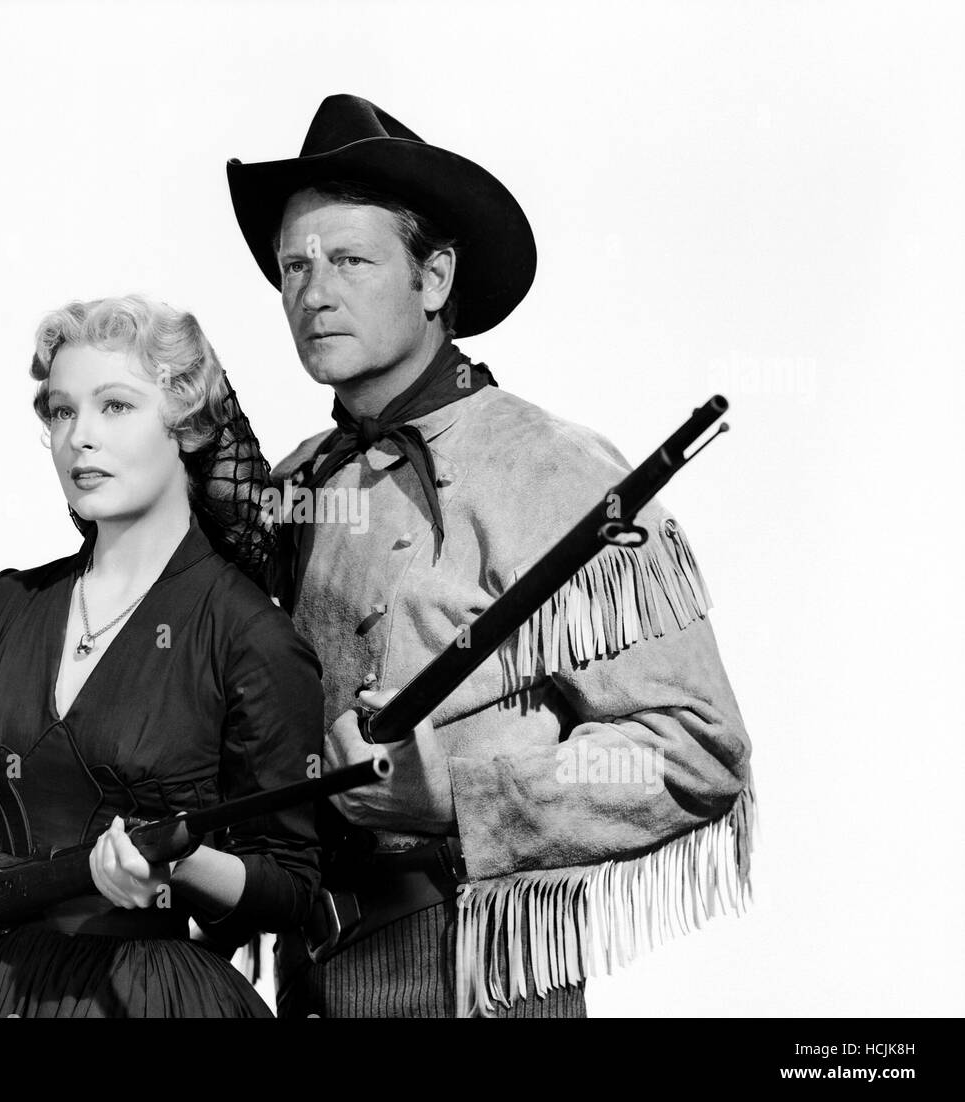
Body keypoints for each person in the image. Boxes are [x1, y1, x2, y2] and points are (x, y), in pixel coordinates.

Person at [226, 94, 757, 1018]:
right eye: (294, 267)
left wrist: (457, 795)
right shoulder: (293, 483)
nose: (314, 291)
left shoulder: (552, 469)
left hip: (473, 976)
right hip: (308, 977)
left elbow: (696, 752)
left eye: (350, 259)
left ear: (433, 278)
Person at [0, 294, 324, 1017]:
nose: (79, 438)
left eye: (115, 406)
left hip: (152, 996)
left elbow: (290, 882)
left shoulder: (251, 637)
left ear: (185, 424)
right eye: (62, 412)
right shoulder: (2, 608)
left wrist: (177, 859)